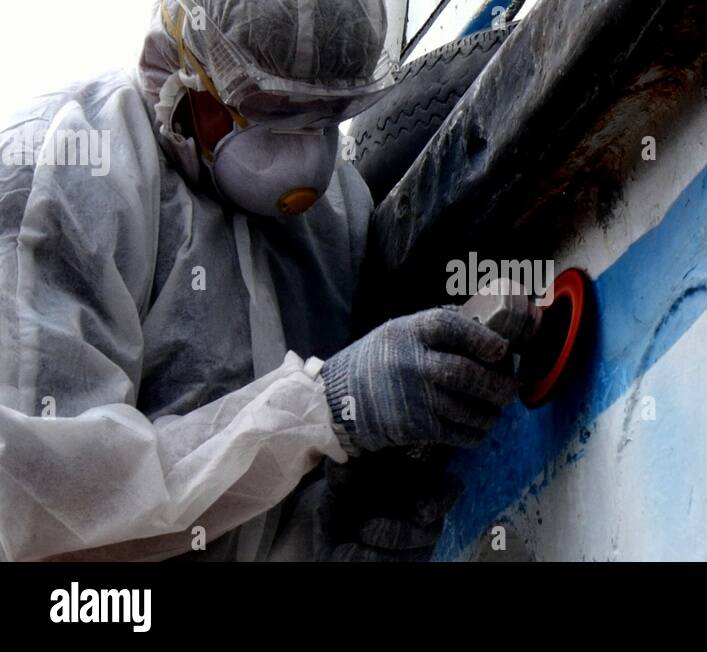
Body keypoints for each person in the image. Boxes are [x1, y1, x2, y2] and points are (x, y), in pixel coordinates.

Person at [0, 0, 519, 561]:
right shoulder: (71, 167)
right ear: (191, 68)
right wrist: (322, 411)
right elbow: (40, 508)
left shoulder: (338, 215)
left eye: (327, 113)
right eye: (272, 107)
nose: (304, 148)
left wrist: (329, 532)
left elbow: (252, 511)